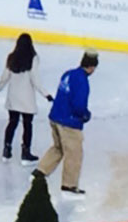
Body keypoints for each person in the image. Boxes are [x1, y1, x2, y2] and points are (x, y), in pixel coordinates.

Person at [35, 51, 98, 195]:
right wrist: (85, 115)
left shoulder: (68, 74)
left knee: (58, 147)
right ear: (92, 67)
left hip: (55, 117)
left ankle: (40, 171)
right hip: (69, 123)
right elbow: (79, 105)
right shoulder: (82, 81)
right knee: (74, 154)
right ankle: (69, 185)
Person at [0, 33, 48, 161]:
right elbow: (35, 79)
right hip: (26, 98)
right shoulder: (33, 58)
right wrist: (46, 94)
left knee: (12, 122)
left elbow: (5, 77)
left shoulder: (12, 57)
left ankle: (6, 149)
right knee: (27, 125)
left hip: (13, 97)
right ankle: (26, 152)